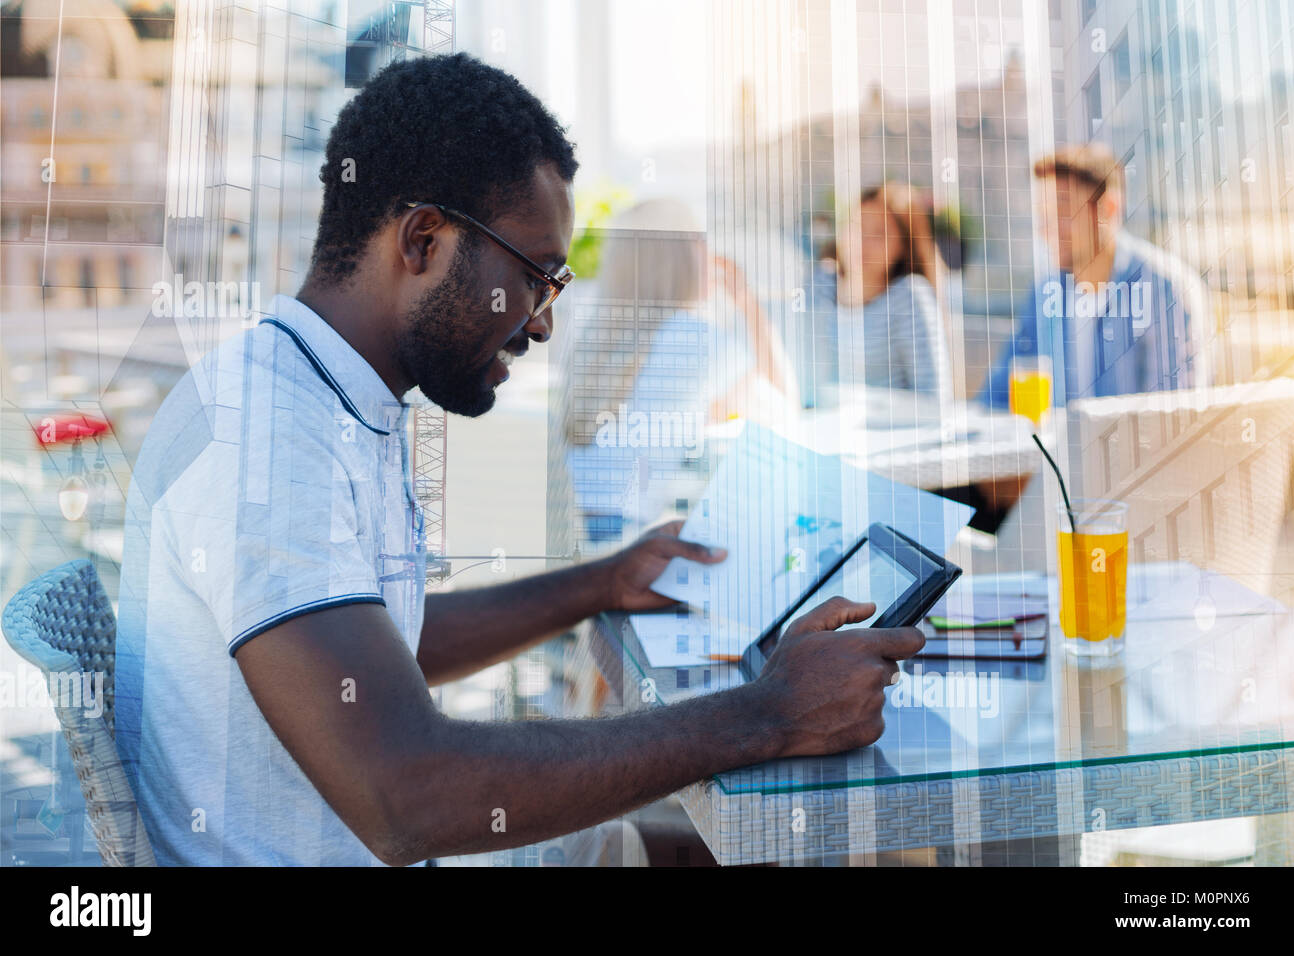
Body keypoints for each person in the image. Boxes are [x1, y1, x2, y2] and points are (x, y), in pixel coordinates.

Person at [114, 53, 923, 867]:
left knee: (720, 844)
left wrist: (600, 581)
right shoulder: (268, 437)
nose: (541, 323)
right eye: (536, 276)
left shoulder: (317, 394)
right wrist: (769, 713)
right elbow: (409, 797)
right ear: (423, 239)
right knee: (761, 843)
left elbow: (385, 649)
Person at [566, 199, 799, 541]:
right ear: (681, 258)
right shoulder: (697, 340)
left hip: (573, 535)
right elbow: (785, 406)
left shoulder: (591, 337)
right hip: (624, 545)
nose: (708, 252)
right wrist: (747, 302)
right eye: (698, 241)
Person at [979, 143, 1212, 409]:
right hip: (1055, 451)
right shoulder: (1046, 293)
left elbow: (1172, 419)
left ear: (1108, 209)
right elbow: (995, 397)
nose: (1047, 230)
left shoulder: (1164, 289)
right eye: (1043, 215)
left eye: (1061, 213)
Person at [822, 183, 957, 405]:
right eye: (856, 227)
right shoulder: (822, 285)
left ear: (903, 246)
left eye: (878, 234)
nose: (861, 243)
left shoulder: (910, 298)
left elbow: (936, 401)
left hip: (893, 435)